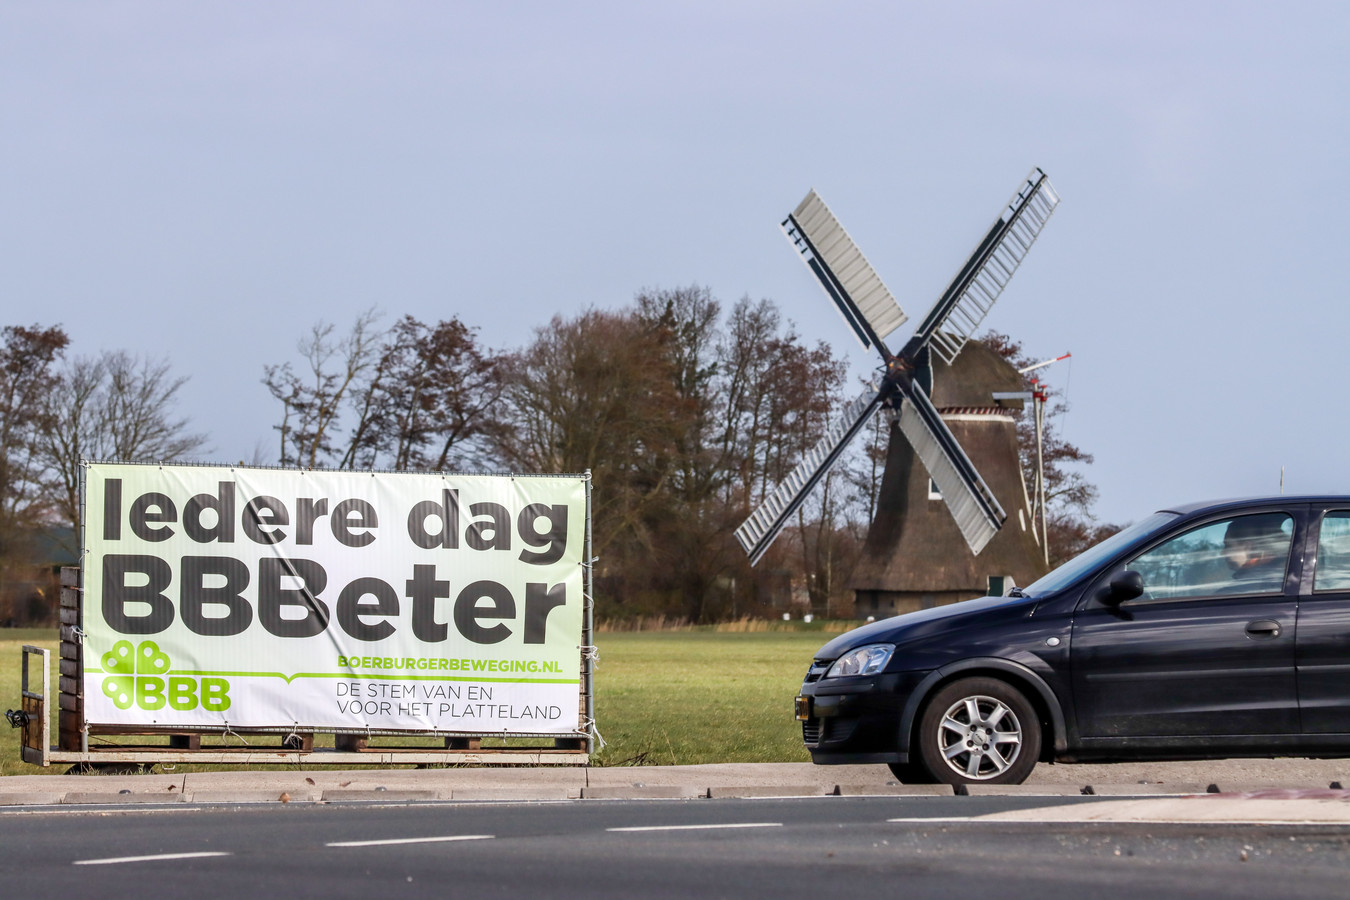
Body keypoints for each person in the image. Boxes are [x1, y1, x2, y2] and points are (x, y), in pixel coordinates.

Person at [1220, 515, 1289, 593]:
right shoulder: (1281, 574)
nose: (1222, 553)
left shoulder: (1240, 589)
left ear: (1246, 547)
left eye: (1228, 545)